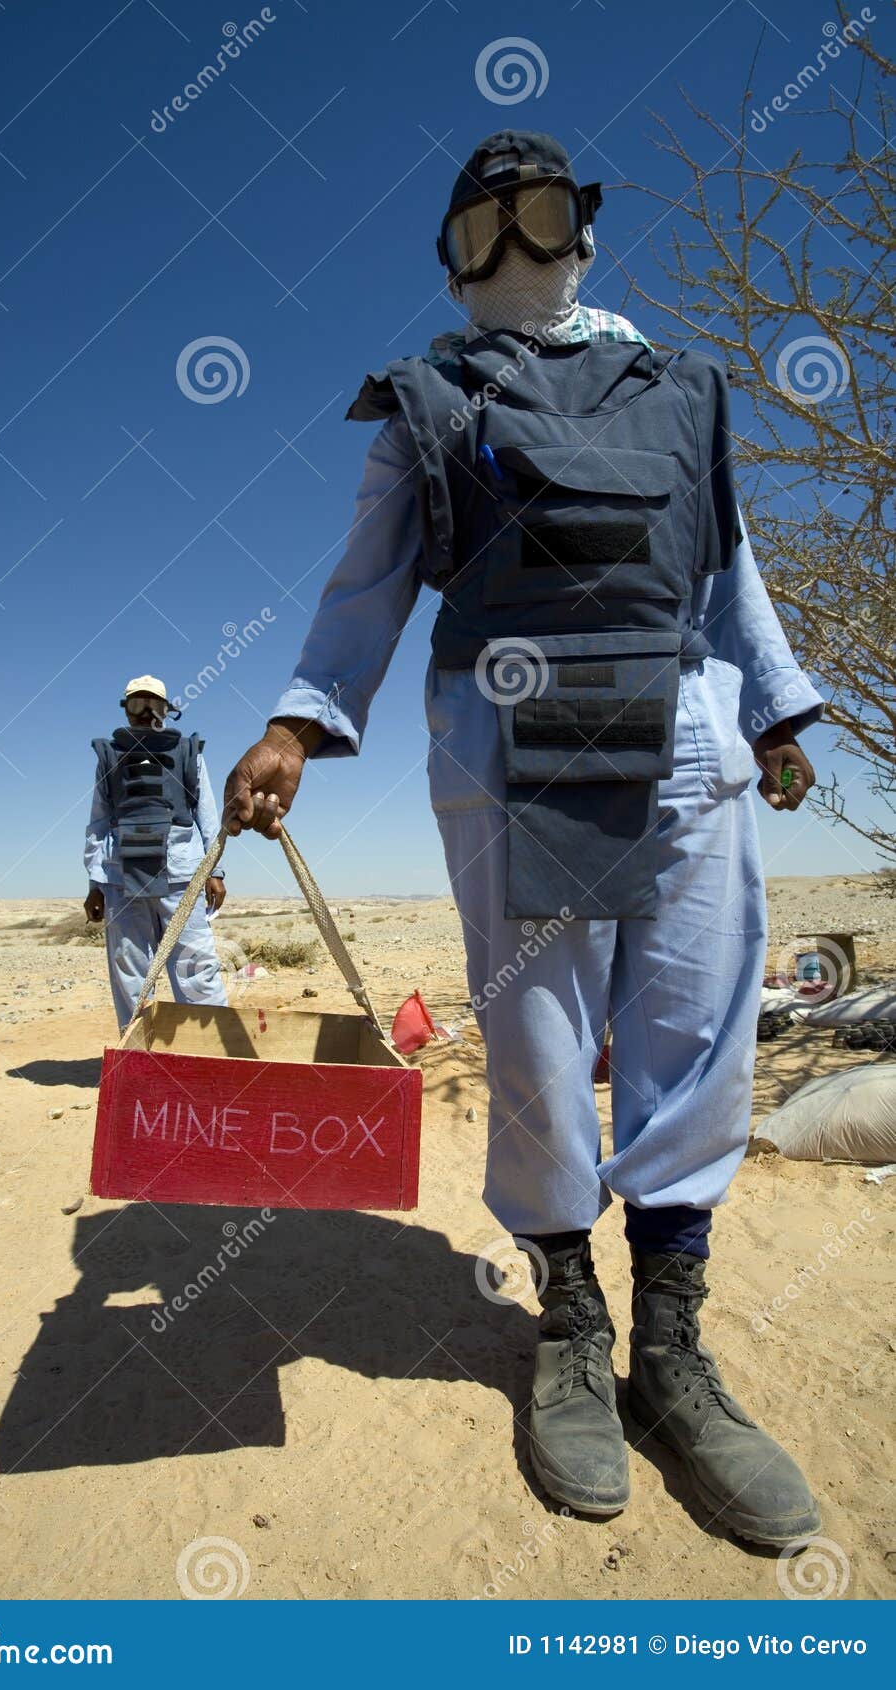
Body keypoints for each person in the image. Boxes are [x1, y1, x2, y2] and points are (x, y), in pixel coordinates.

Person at [223, 131, 826, 1547]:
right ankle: (567, 1326)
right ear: (448, 257)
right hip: (506, 741)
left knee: (693, 1032)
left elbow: (728, 569)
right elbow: (362, 588)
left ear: (584, 233)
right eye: (480, 232)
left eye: (538, 219)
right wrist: (296, 725)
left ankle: (671, 1354)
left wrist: (777, 714)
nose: (514, 254)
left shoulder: (683, 390)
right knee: (540, 1045)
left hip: (682, 733)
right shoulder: (426, 401)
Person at [84, 675, 226, 1029]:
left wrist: (215, 871)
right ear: (126, 711)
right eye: (137, 705)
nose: (146, 713)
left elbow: (207, 816)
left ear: (167, 711)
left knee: (197, 967)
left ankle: (212, 1059)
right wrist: (94, 883)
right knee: (129, 974)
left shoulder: (188, 754)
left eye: (154, 705)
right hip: (121, 879)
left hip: (182, 878)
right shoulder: (109, 758)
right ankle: (138, 1060)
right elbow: (99, 822)